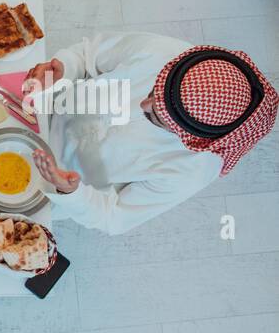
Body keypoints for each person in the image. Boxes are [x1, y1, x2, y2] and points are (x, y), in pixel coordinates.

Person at [24, 37, 277, 235]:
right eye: (153, 91)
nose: (143, 105)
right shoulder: (165, 51)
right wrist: (62, 71)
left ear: (188, 137)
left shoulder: (191, 170)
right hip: (36, 107)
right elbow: (89, 55)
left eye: (156, 116)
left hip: (46, 190)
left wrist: (70, 191)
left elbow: (114, 217)